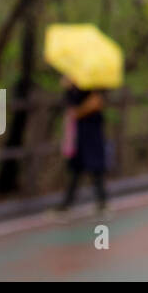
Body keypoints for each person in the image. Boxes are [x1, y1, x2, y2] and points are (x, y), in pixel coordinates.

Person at [58, 83, 108, 215]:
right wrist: (68, 89)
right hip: (79, 133)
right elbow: (70, 106)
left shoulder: (94, 85)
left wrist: (80, 111)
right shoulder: (72, 87)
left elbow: (97, 103)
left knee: (95, 167)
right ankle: (67, 204)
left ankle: (101, 203)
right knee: (76, 168)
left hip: (91, 131)